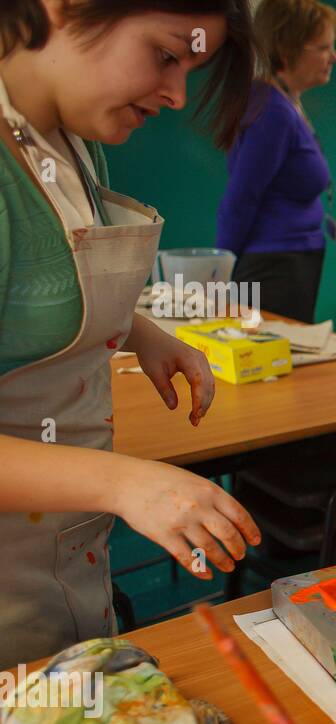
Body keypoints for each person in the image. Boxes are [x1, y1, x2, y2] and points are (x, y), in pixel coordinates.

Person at [0, 0, 260, 669]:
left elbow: (36, 291)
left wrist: (138, 328)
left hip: (60, 553)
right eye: (167, 55)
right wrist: (125, 485)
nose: (176, 94)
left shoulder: (72, 145)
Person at [217, 0, 336, 324]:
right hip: (273, 267)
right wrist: (220, 273)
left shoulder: (285, 104)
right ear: (288, 50)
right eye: (324, 47)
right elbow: (241, 197)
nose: (335, 57)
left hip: (291, 261)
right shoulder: (271, 110)